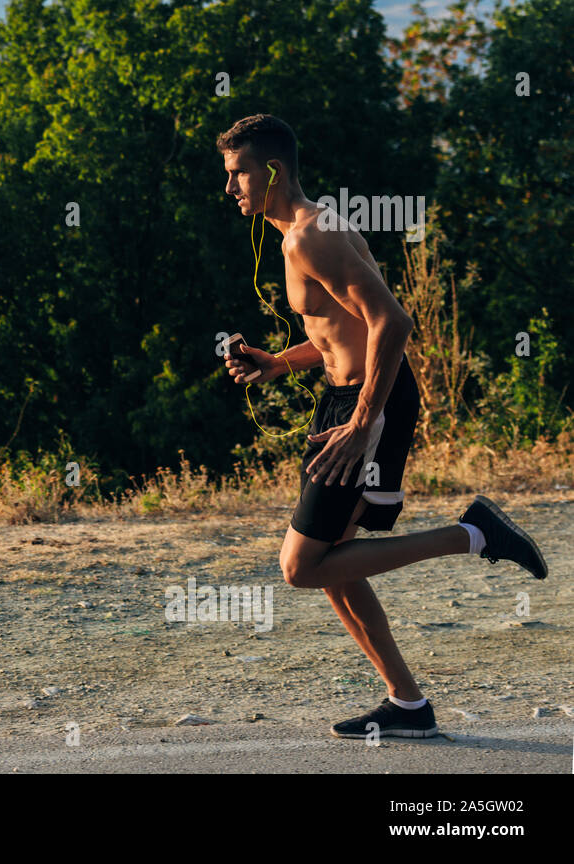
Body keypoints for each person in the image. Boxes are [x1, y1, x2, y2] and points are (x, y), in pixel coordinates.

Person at [216, 113, 547, 739]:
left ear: (272, 170)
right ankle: (409, 706)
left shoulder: (310, 236)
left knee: (301, 567)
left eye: (236, 175)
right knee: (335, 565)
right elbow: (343, 329)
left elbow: (393, 321)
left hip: (371, 404)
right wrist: (279, 363)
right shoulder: (305, 229)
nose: (230, 188)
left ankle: (472, 534)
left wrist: (366, 420)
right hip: (347, 402)